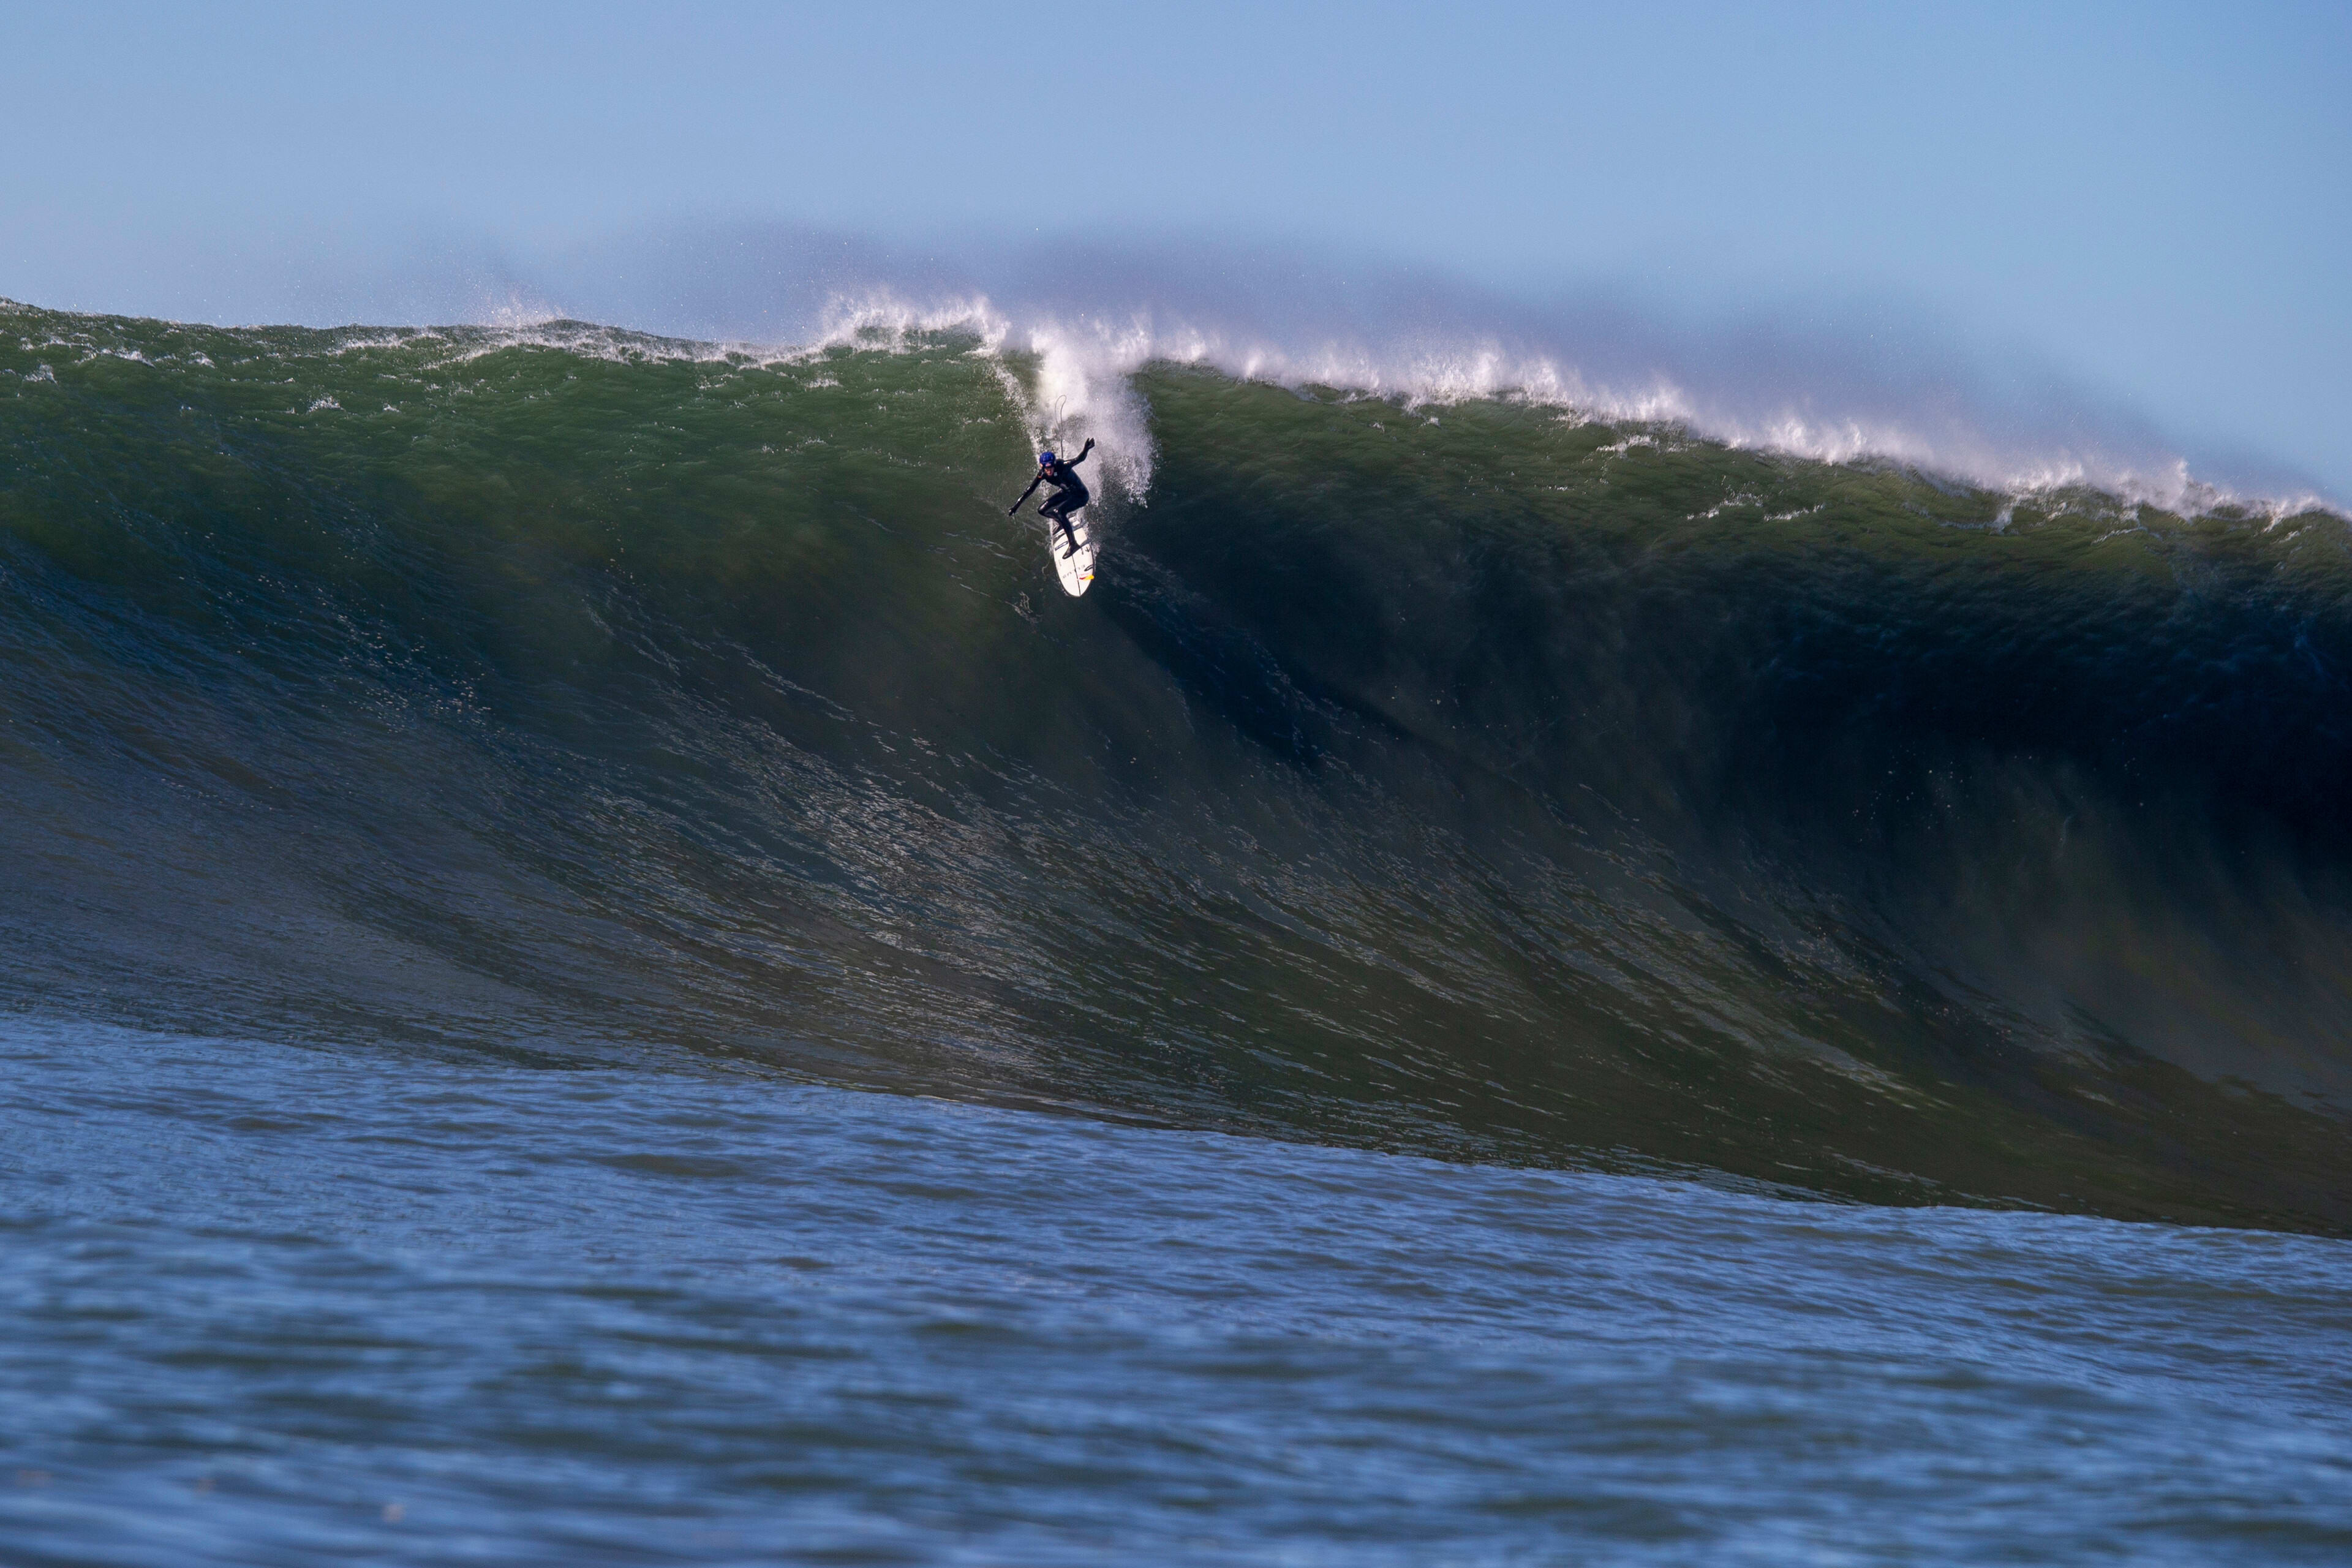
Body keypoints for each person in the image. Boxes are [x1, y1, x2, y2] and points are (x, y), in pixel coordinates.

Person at [1008, 439, 1095, 557]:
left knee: (1059, 511)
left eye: (1050, 468)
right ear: (1042, 466)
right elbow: (1030, 490)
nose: (1049, 471)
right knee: (1042, 510)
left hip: (1081, 495)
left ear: (1054, 465)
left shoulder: (1062, 466)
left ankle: (1073, 545)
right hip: (1067, 493)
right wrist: (1016, 507)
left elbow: (1079, 459)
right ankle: (1062, 522)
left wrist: (1086, 449)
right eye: (1046, 468)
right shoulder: (1043, 474)